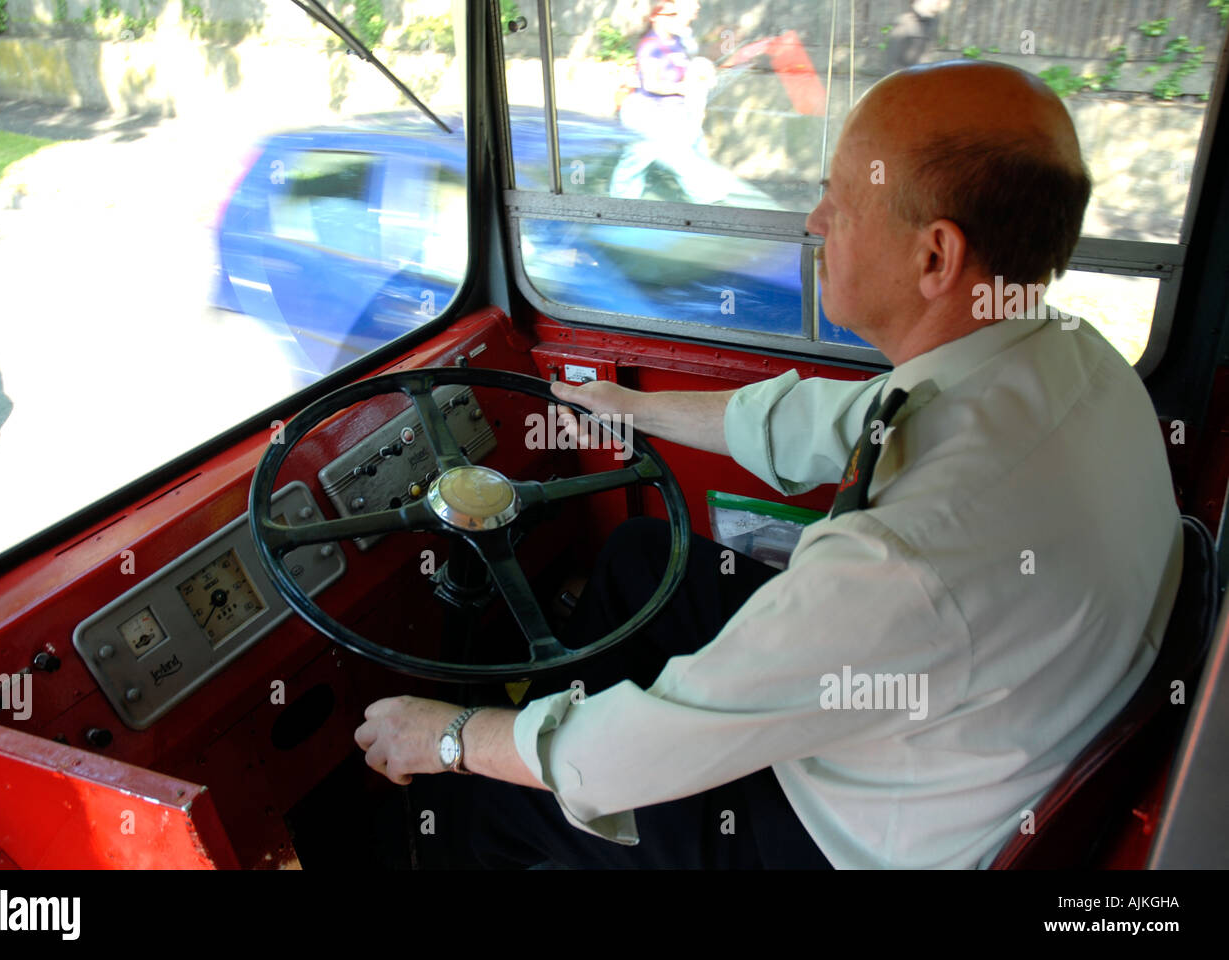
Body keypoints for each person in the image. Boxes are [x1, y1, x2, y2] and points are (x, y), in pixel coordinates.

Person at [355, 60, 1183, 869]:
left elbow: (605, 767)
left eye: (844, 201)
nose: (816, 221)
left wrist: (449, 737)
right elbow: (824, 420)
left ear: (935, 258)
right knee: (643, 563)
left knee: (481, 791)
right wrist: (630, 408)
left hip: (836, 831)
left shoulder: (903, 560)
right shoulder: (1071, 359)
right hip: (962, 730)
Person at [608, 0, 727, 203]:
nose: (674, 19)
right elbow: (652, 85)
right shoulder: (651, 46)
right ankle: (619, 201)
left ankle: (707, 198)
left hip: (672, 111)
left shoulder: (677, 42)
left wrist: (701, 73)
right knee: (640, 156)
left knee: (686, 151)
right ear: (655, 17)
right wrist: (683, 88)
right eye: (668, 15)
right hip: (646, 113)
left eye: (675, 15)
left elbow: (686, 69)